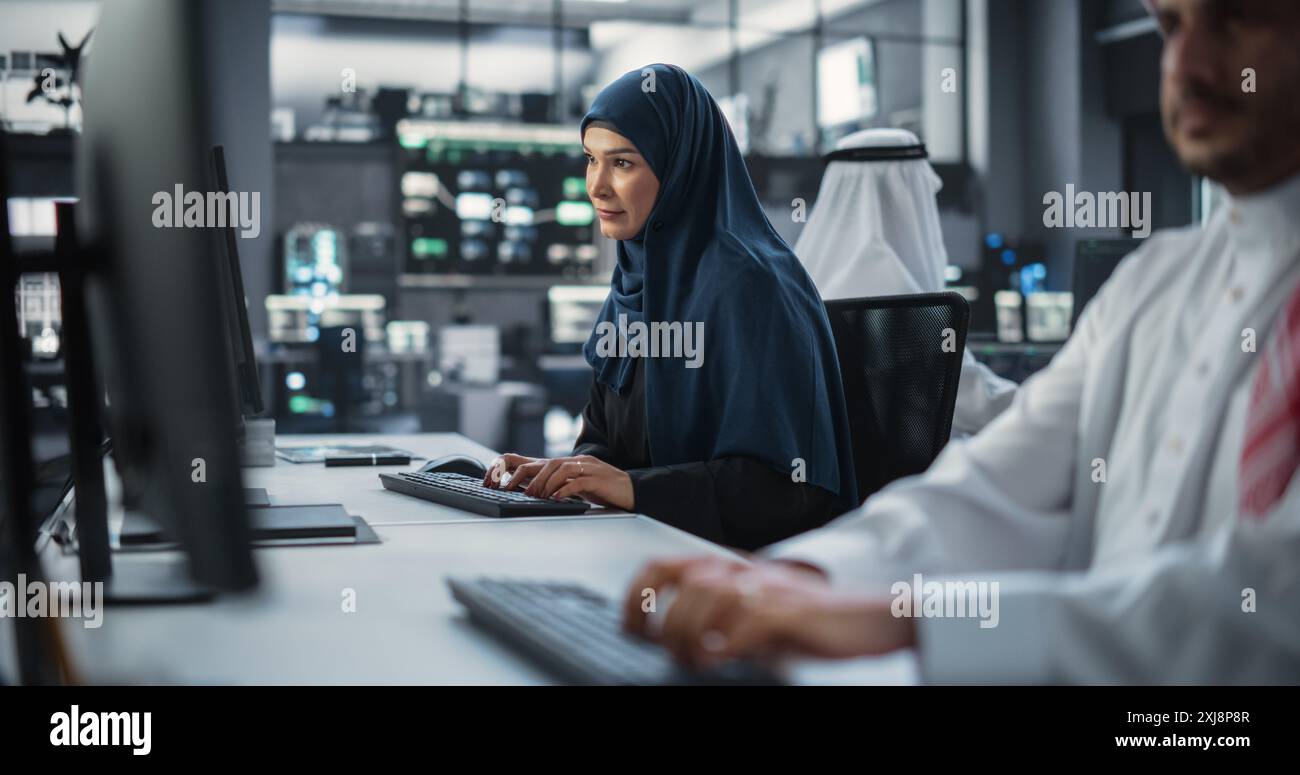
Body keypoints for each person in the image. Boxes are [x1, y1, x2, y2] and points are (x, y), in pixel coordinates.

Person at [622, 0, 1300, 683]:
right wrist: (803, 576)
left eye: (1239, 18)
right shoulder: (1153, 286)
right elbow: (994, 479)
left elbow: (1267, 600)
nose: (1186, 65)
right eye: (1170, 26)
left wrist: (899, 614)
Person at [484, 64, 859, 550]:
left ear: (679, 166)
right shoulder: (635, 282)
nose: (596, 187)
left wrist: (633, 488)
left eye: (622, 163)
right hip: (645, 548)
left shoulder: (751, 286)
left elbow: (785, 491)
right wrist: (564, 476)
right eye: (590, 160)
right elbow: (604, 440)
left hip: (744, 573)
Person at [795, 128, 1017, 434]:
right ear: (906, 196)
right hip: (906, 475)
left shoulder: (809, 277)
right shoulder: (897, 289)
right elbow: (978, 404)